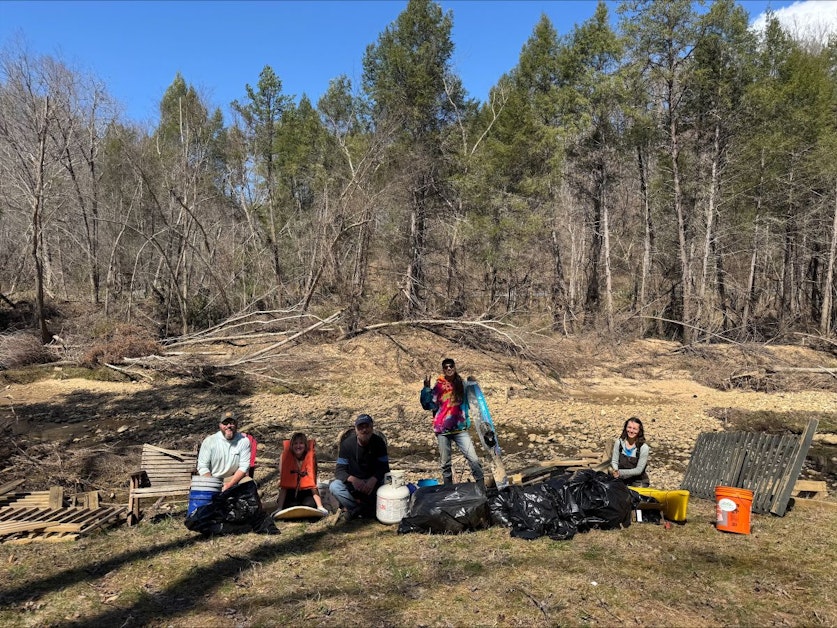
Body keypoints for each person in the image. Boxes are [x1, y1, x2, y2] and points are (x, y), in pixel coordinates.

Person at [420, 357, 484, 486]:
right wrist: (426, 389)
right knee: (445, 464)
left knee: (473, 459)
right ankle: (448, 489)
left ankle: (481, 486)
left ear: (455, 368)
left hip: (460, 429)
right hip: (442, 430)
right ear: (443, 370)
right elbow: (428, 405)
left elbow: (474, 398)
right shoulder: (438, 386)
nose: (449, 369)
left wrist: (475, 384)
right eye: (446, 367)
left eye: (451, 366)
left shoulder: (462, 384)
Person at [329, 414, 390, 521]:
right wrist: (353, 480)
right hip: (354, 485)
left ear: (372, 428)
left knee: (389, 483)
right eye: (361, 427)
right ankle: (359, 509)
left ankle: (357, 511)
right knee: (334, 486)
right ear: (356, 430)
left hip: (373, 483)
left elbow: (384, 468)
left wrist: (374, 479)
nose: (364, 430)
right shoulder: (347, 445)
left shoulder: (379, 442)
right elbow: (339, 471)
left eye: (367, 426)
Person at [197, 411, 252, 492]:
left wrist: (229, 485)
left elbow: (244, 467)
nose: (228, 426)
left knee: (249, 483)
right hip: (212, 478)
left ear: (236, 424)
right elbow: (202, 467)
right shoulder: (210, 441)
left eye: (231, 423)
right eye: (225, 423)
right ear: (220, 425)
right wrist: (213, 485)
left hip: (233, 478)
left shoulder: (244, 441)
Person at [275, 432, 328, 515]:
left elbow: (312, 484)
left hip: (306, 491)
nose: (298, 446)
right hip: (290, 491)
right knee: (290, 504)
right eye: (295, 443)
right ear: (291, 445)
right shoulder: (285, 457)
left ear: (305, 445)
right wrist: (279, 508)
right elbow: (284, 485)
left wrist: (320, 507)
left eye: (301, 443)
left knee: (310, 504)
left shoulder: (310, 457)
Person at [609, 417, 651, 487]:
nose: (631, 431)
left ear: (639, 431)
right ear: (626, 428)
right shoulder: (619, 442)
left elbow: (639, 470)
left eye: (634, 429)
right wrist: (615, 471)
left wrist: (620, 472)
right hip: (620, 478)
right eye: (629, 427)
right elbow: (614, 461)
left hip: (637, 480)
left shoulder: (643, 448)